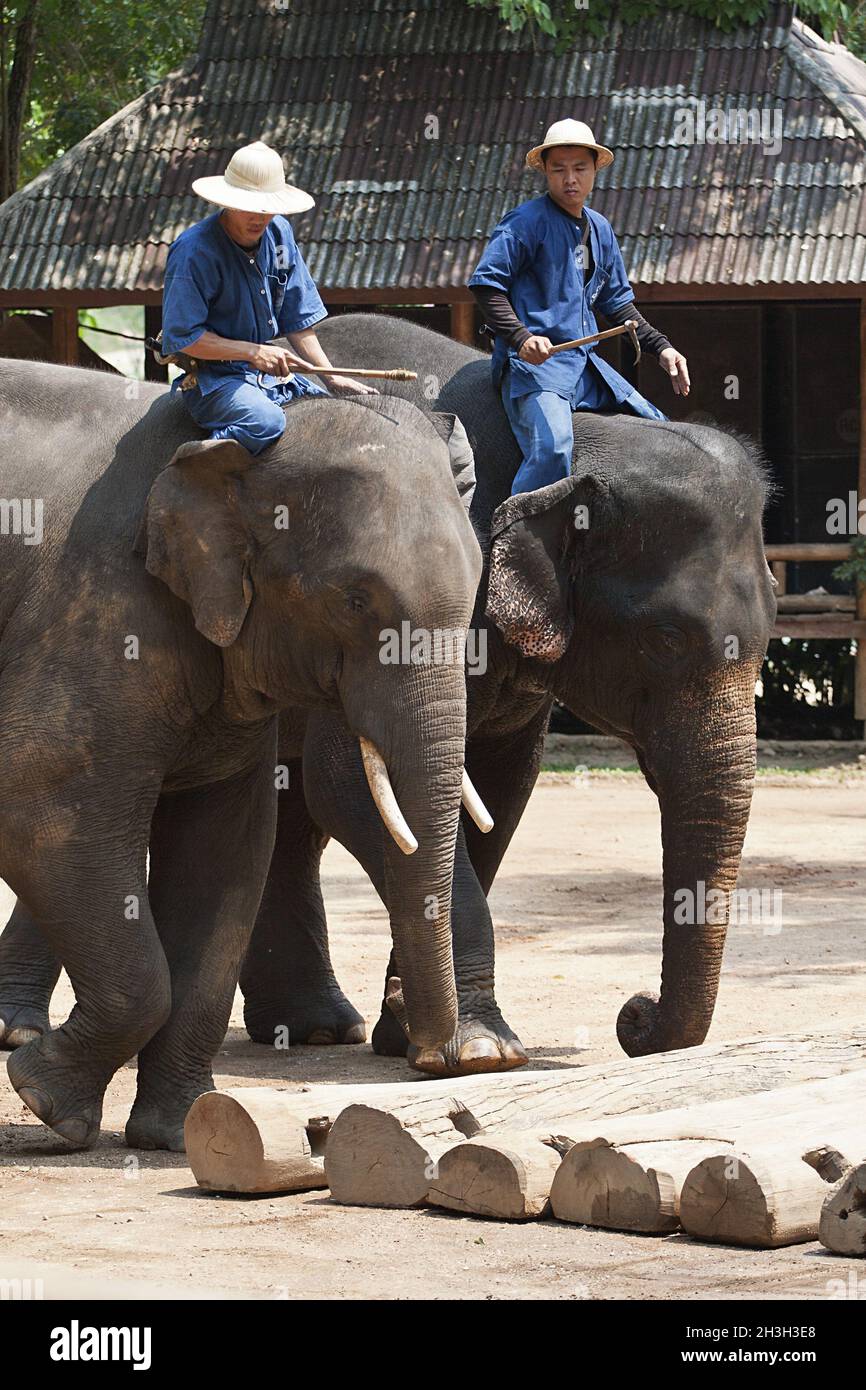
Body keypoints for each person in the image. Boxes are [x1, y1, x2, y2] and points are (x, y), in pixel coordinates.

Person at [468, 119, 690, 494]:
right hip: (535, 370)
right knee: (554, 448)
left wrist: (662, 347)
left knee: (659, 426)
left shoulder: (600, 229)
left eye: (579, 168)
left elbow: (617, 303)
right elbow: (486, 284)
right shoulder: (525, 222)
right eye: (559, 169)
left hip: (585, 367)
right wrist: (522, 338)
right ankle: (513, 541)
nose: (570, 178)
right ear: (546, 173)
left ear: (594, 170)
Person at [161, 140, 375, 455]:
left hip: (265, 379)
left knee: (332, 417)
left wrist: (331, 377)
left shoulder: (279, 233)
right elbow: (183, 338)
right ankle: (198, 468)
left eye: (266, 207)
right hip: (214, 383)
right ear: (229, 201)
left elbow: (297, 317)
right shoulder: (194, 251)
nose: (259, 218)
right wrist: (253, 352)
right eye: (249, 206)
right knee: (266, 423)